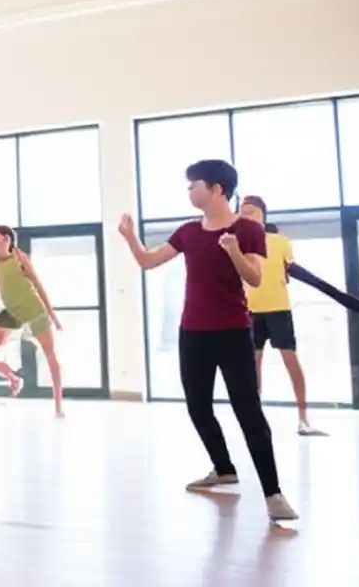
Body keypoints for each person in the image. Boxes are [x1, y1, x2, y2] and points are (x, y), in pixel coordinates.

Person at [117, 159, 296, 522]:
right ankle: (223, 468)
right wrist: (129, 236)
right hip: (193, 333)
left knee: (248, 410)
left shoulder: (248, 230)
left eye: (193, 184)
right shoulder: (187, 231)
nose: (189, 191)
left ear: (216, 189)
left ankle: (273, 493)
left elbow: (255, 277)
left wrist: (232, 250)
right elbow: (148, 262)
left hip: (233, 332)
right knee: (198, 407)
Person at [238, 196, 326, 437]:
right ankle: (255, 419)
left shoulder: (279, 241)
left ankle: (303, 419)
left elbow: (288, 272)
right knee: (253, 365)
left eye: (252, 211)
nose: (247, 216)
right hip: (251, 311)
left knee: (291, 361)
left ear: (263, 216)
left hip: (278, 309)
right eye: (243, 212)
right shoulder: (239, 243)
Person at [0, 225, 65, 417]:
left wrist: (52, 315)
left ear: (7, 239)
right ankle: (14, 379)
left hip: (34, 312)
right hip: (12, 313)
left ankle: (58, 406)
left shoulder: (19, 258)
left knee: (50, 356)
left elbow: (37, 284)